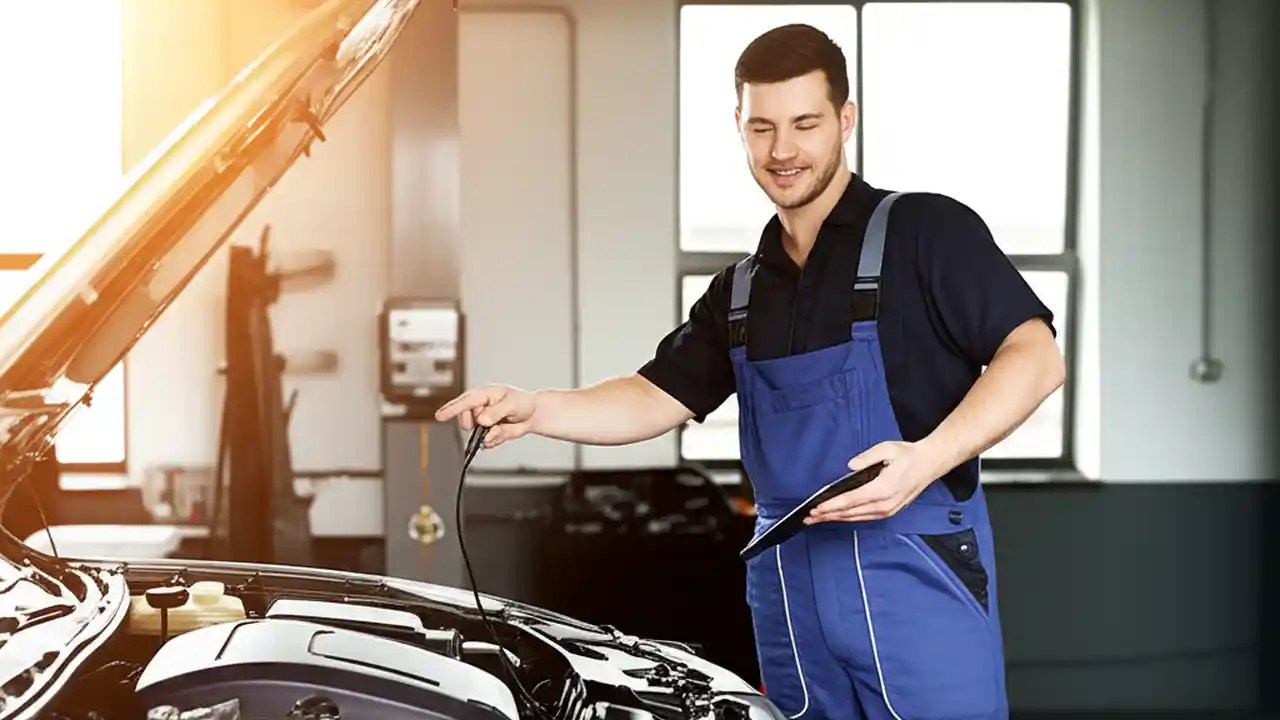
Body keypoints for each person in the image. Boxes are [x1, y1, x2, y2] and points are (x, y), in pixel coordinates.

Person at [436, 22, 1064, 720]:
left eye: (804, 123)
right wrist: (538, 408)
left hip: (913, 566)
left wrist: (924, 461)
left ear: (845, 119)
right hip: (790, 585)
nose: (783, 150)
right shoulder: (740, 292)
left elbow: (1035, 357)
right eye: (762, 127)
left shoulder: (925, 233)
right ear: (739, 126)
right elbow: (651, 397)